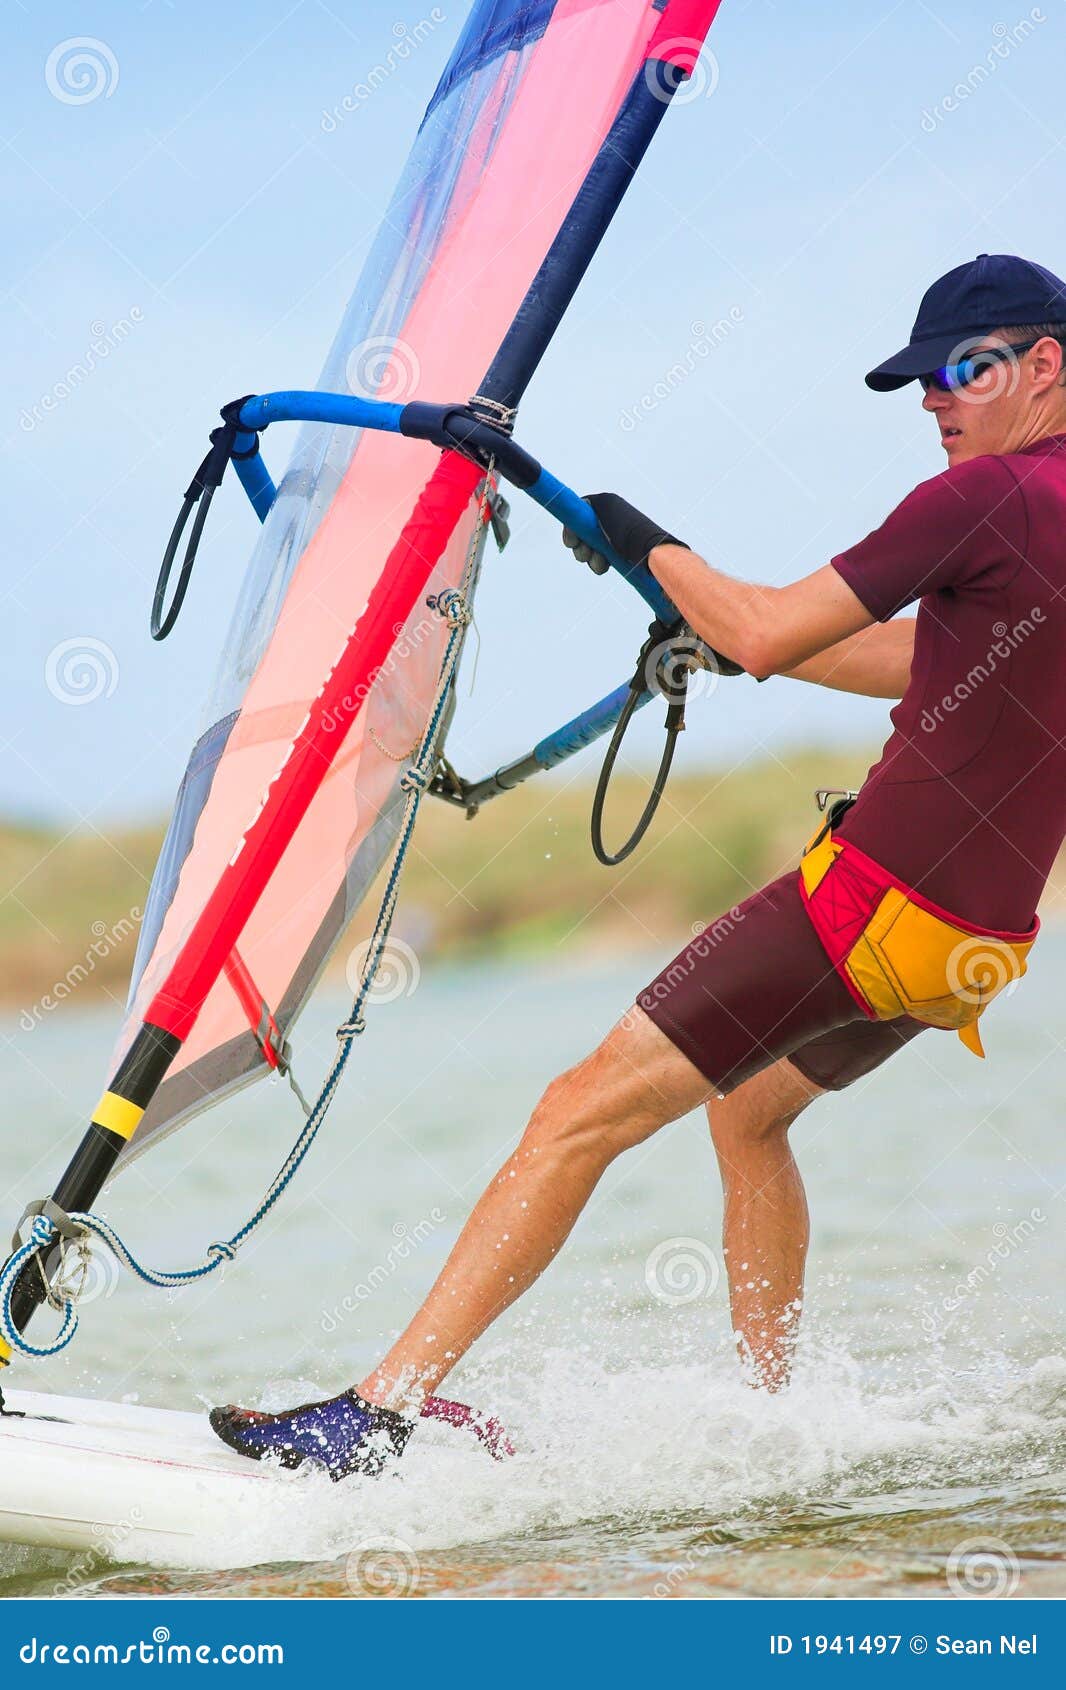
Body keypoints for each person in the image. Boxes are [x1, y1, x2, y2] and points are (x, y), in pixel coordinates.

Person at [211, 253, 1066, 1480]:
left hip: (872, 902)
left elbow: (767, 629)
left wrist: (639, 535)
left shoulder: (978, 504)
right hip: (968, 955)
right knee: (748, 1112)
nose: (934, 398)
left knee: (574, 1112)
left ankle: (379, 1413)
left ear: (1046, 363)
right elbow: (899, 662)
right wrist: (708, 630)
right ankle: (785, 1428)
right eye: (919, 381)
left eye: (962, 370)